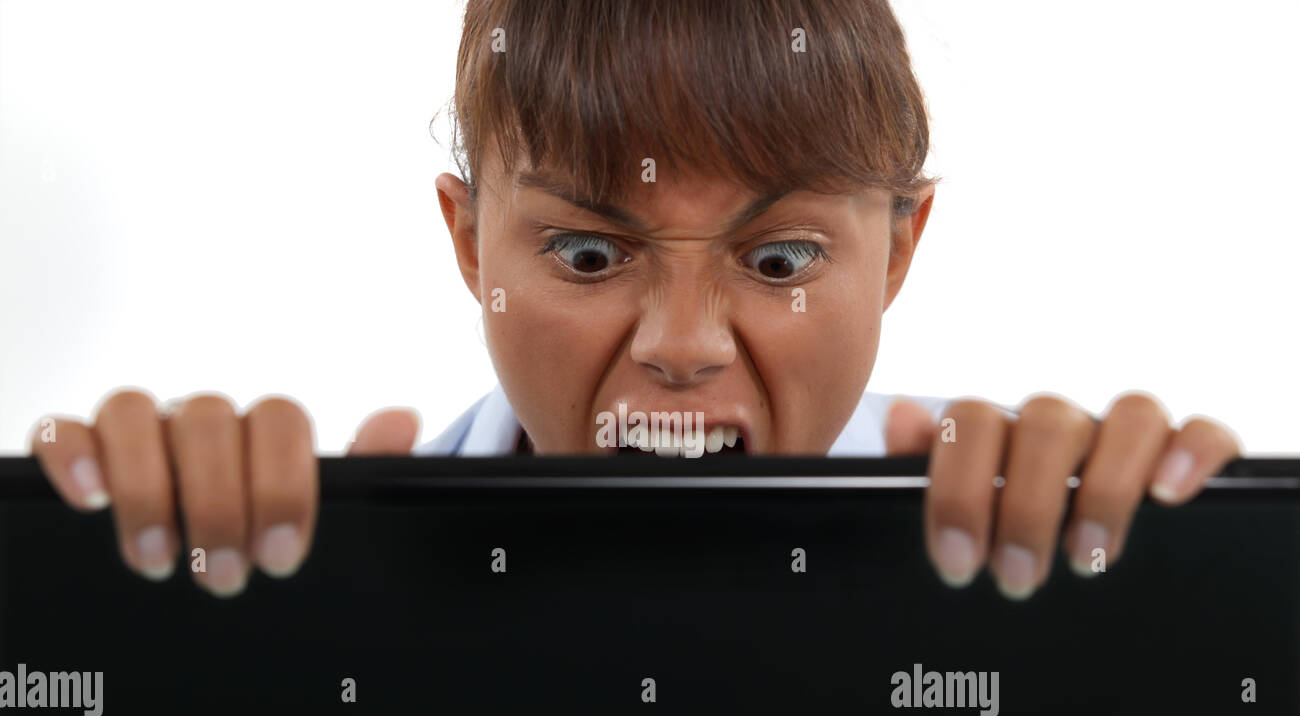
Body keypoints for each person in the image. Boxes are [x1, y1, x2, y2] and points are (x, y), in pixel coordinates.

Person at [28, 0, 1240, 602]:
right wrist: (118, 628)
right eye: (590, 255)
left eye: (778, 263)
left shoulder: (1051, 554)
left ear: (899, 249)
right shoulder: (305, 578)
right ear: (468, 242)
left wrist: (1178, 611)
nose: (679, 347)